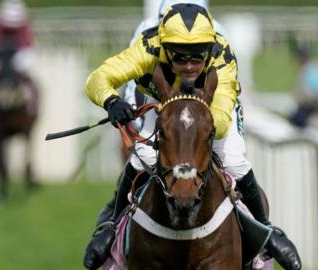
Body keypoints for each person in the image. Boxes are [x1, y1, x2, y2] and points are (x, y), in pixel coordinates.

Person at [83, 4, 301, 270]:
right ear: (164, 46)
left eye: (197, 58)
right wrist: (111, 101)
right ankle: (111, 227)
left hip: (210, 110)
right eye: (179, 57)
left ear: (208, 49)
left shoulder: (222, 55)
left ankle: (266, 233)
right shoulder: (148, 46)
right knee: (145, 157)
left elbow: (219, 122)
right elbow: (98, 78)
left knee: (232, 159)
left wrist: (195, 124)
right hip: (160, 101)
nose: (188, 66)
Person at [123, 0, 227, 132]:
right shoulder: (147, 29)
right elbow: (133, 80)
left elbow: (226, 81)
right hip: (157, 93)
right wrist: (133, 111)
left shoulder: (218, 31)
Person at [0, 0, 35, 92]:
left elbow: (27, 44)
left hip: (16, 57)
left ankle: (30, 94)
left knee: (24, 72)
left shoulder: (24, 27)